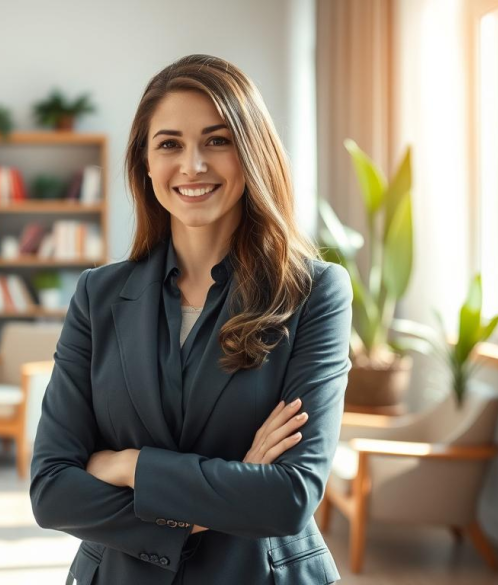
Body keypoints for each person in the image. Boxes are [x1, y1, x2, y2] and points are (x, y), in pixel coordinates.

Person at [30, 54, 353, 585]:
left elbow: (289, 497)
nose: (193, 165)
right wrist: (236, 486)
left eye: (218, 140)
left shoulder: (314, 293)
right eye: (170, 144)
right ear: (146, 164)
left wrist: (128, 465)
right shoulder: (97, 295)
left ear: (252, 154)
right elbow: (53, 491)